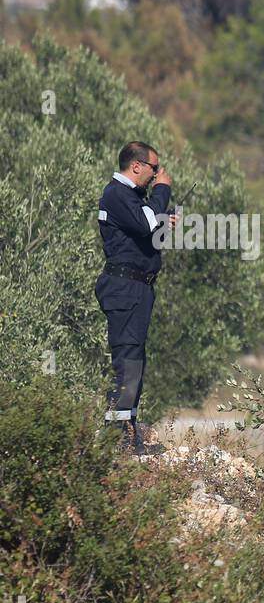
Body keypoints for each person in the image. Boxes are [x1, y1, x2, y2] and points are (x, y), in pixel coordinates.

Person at [95, 141, 172, 452]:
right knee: (128, 358)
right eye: (154, 169)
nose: (156, 176)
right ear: (137, 165)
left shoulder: (132, 197)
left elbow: (148, 233)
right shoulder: (117, 194)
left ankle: (127, 432)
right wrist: (163, 193)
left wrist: (164, 222)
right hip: (125, 287)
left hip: (138, 287)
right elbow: (147, 223)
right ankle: (118, 439)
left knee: (135, 358)